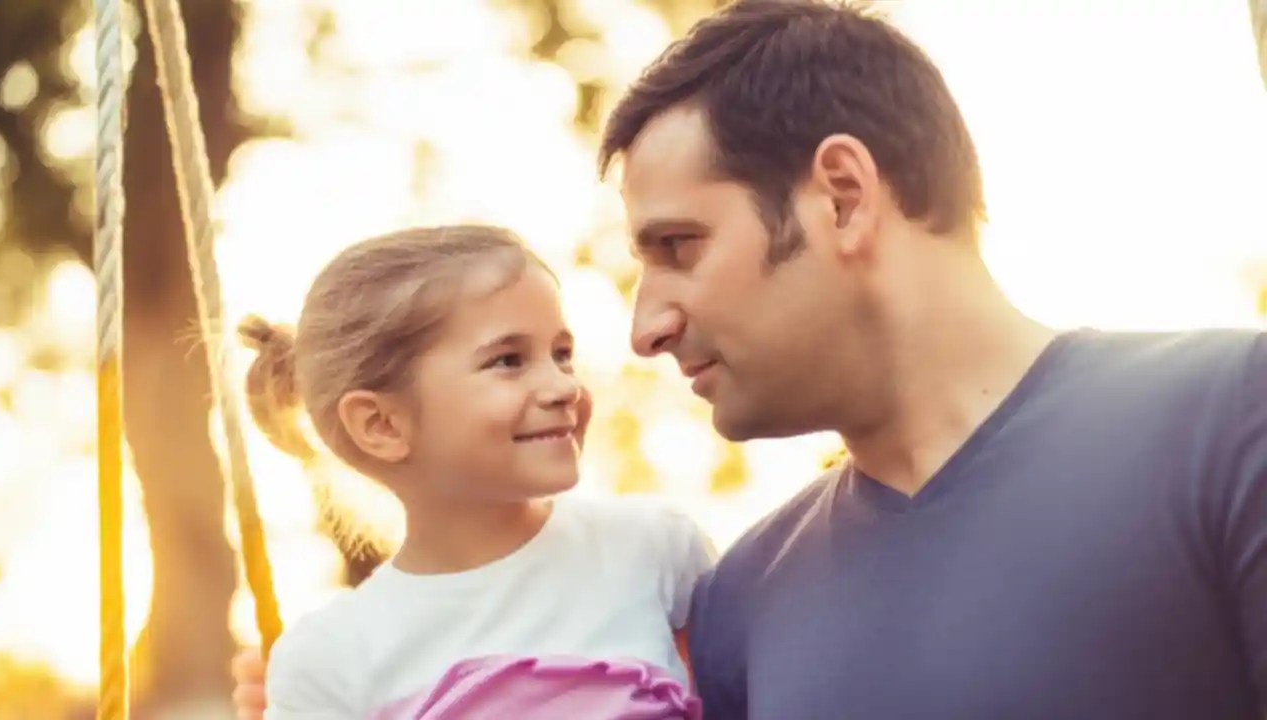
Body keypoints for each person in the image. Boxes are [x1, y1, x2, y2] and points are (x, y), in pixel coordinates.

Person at [237, 1, 1267, 718]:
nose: (642, 329)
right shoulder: (740, 603)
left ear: (841, 197)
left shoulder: (1229, 422)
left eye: (678, 247)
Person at [233, 225, 712, 718]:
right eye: (508, 360)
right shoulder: (330, 658)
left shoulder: (653, 550)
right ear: (381, 424)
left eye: (562, 355)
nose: (563, 387)